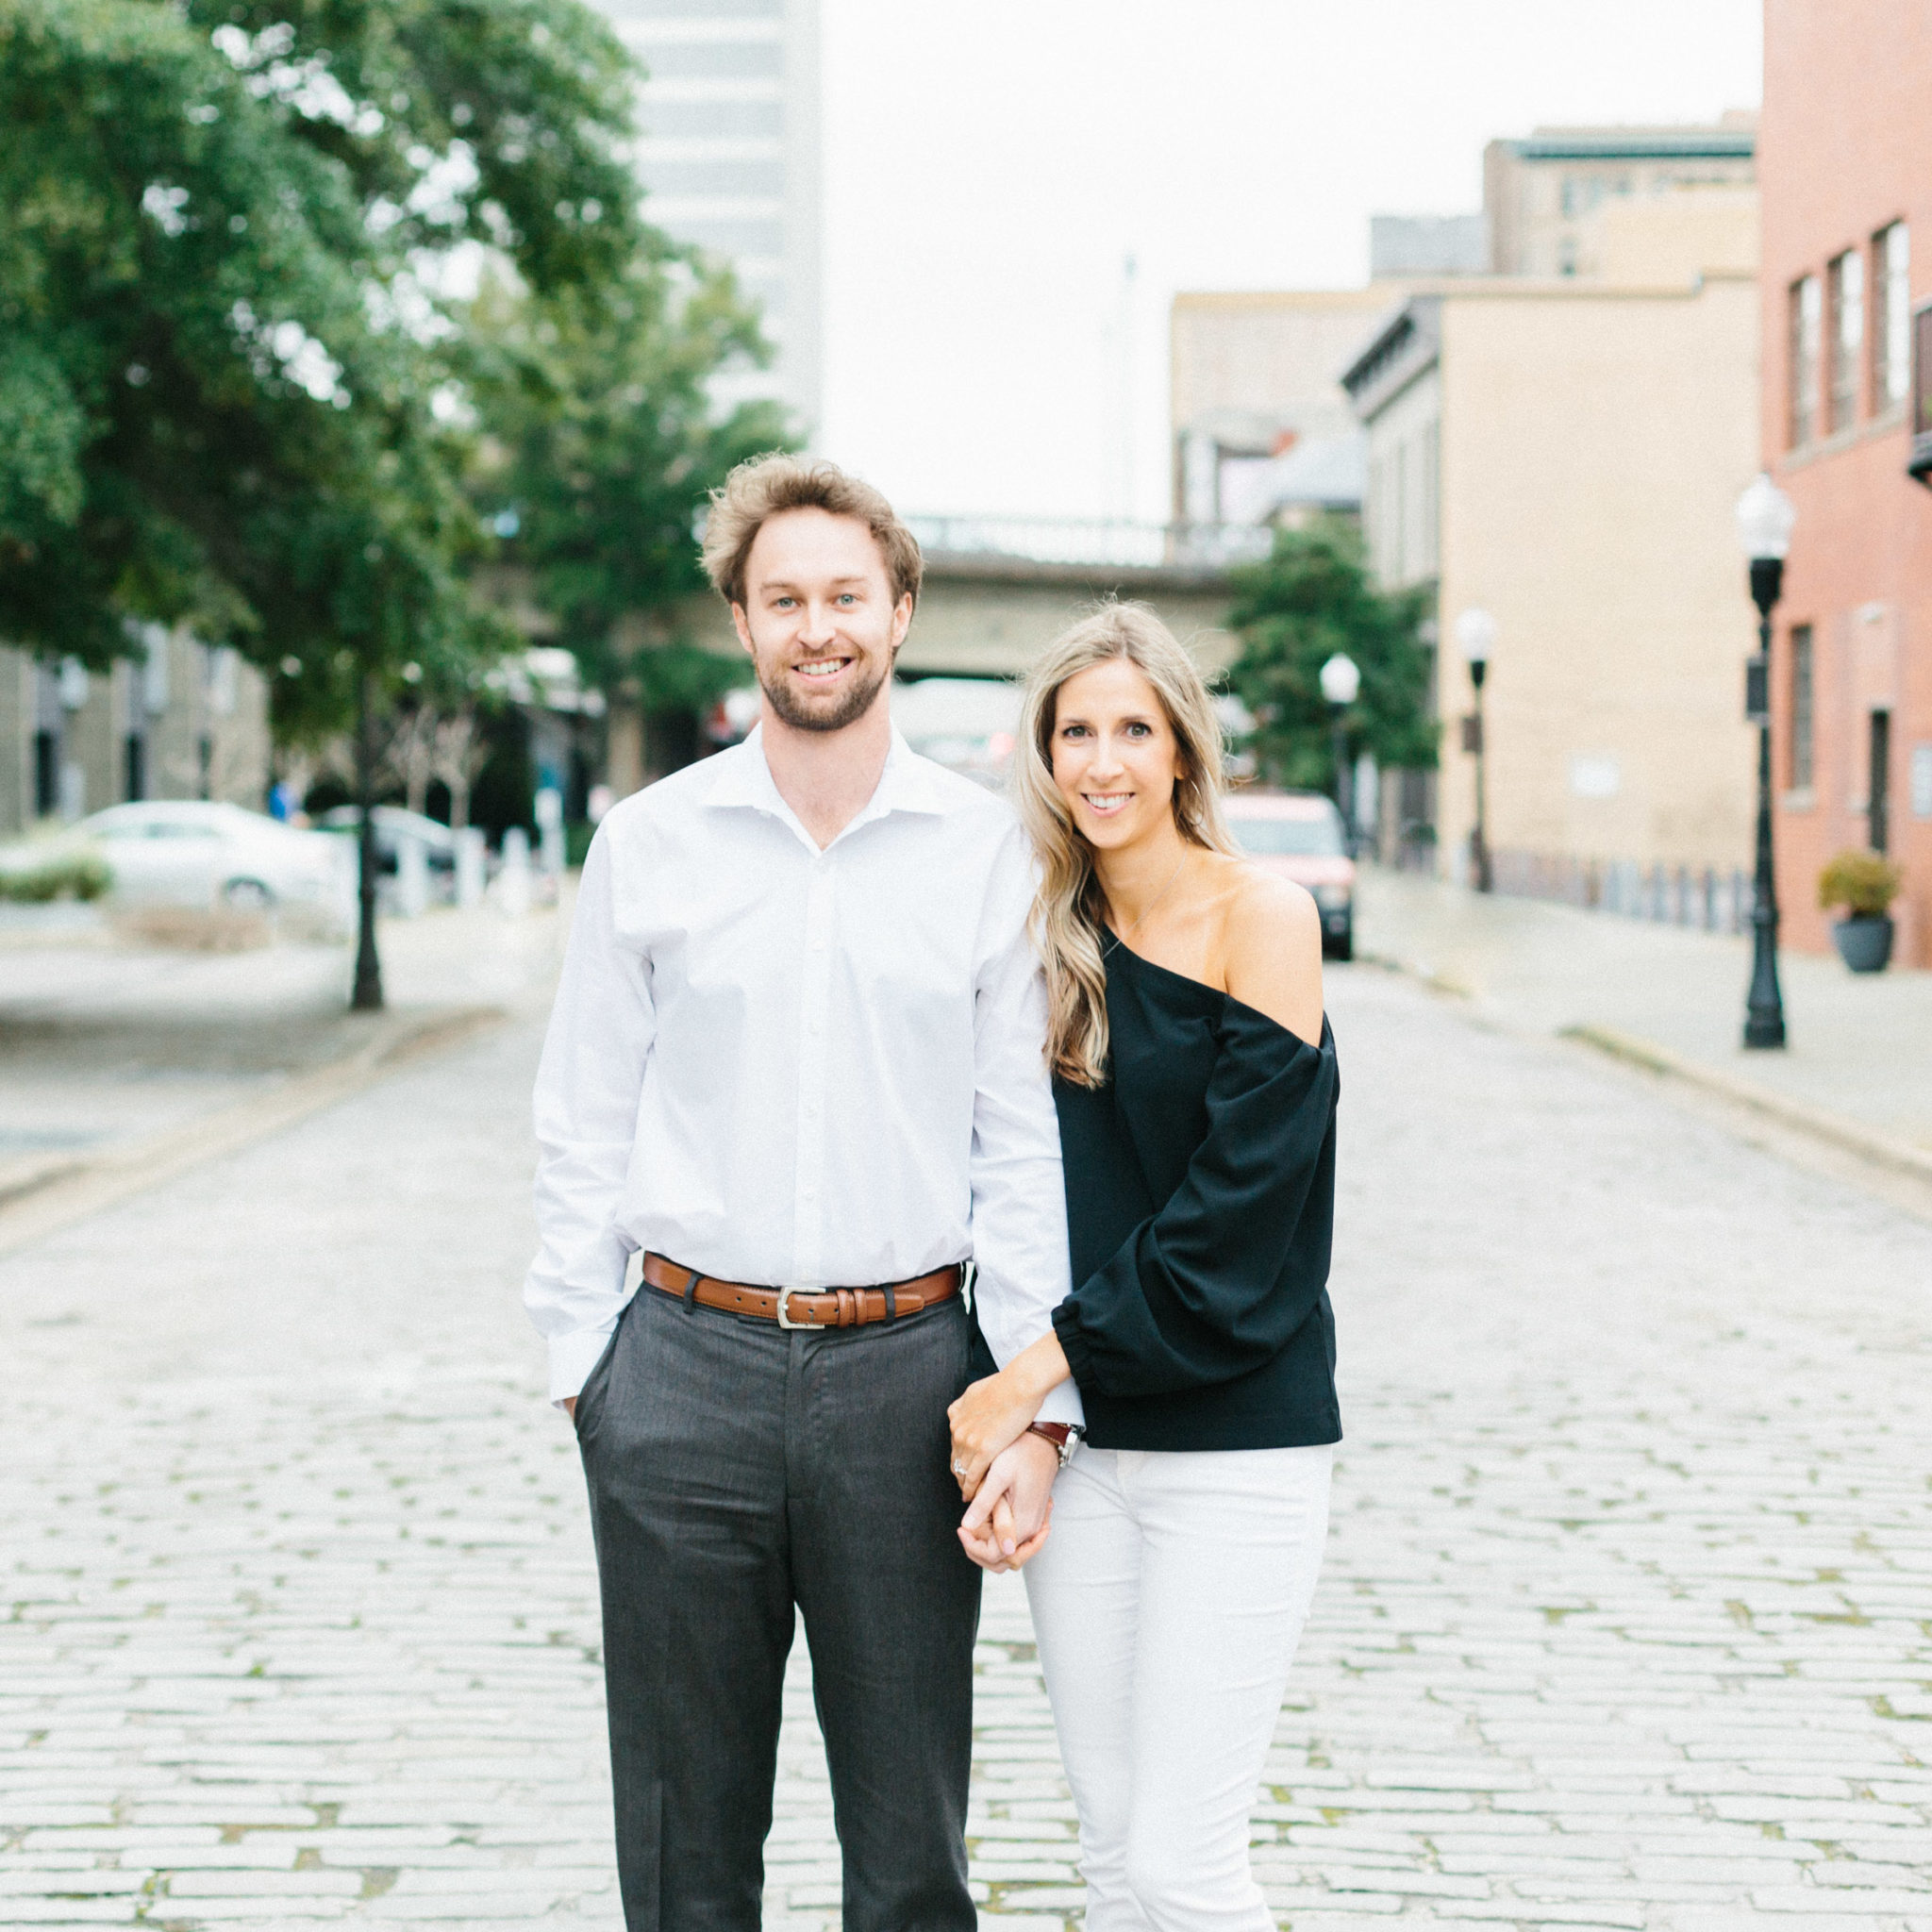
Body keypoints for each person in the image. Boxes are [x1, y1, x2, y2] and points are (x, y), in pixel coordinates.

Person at [524, 454, 1079, 1931]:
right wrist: (591, 1370)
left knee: (910, 1859)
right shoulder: (648, 846)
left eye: (846, 595)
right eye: (784, 599)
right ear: (742, 623)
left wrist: (1031, 1399)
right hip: (679, 1375)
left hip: (910, 1383)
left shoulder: (989, 856)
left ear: (900, 612)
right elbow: (581, 1119)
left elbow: (1018, 1145)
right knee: (684, 1850)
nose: (816, 626)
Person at [947, 602, 1342, 1932]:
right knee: (1114, 1858)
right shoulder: (1040, 940)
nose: (1104, 761)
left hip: (1238, 1444)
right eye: (1076, 732)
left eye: (1134, 728)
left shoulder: (1265, 917)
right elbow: (1014, 1197)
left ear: (1183, 748)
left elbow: (1233, 1219)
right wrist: (1043, 1421)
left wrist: (1023, 1382)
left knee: (1185, 1864)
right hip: (1091, 1448)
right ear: (1042, 755)